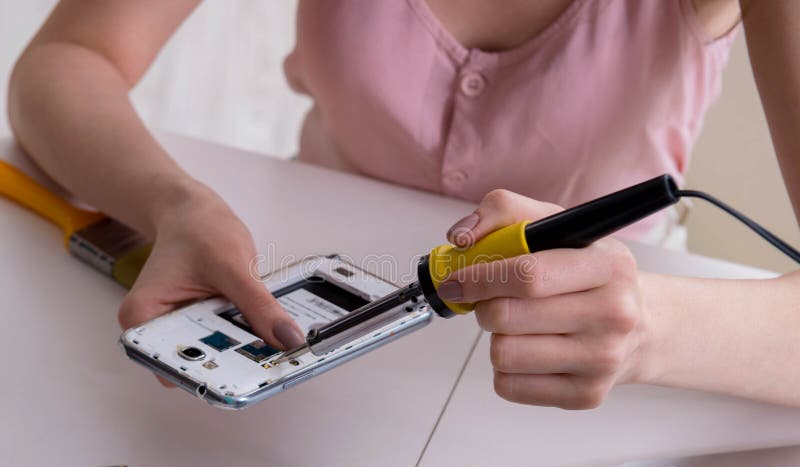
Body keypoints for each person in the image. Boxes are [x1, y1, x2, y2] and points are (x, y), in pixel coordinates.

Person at [8, 0, 800, 409]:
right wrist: (171, 202)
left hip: (591, 406)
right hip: (293, 329)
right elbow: (66, 63)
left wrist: (651, 331)